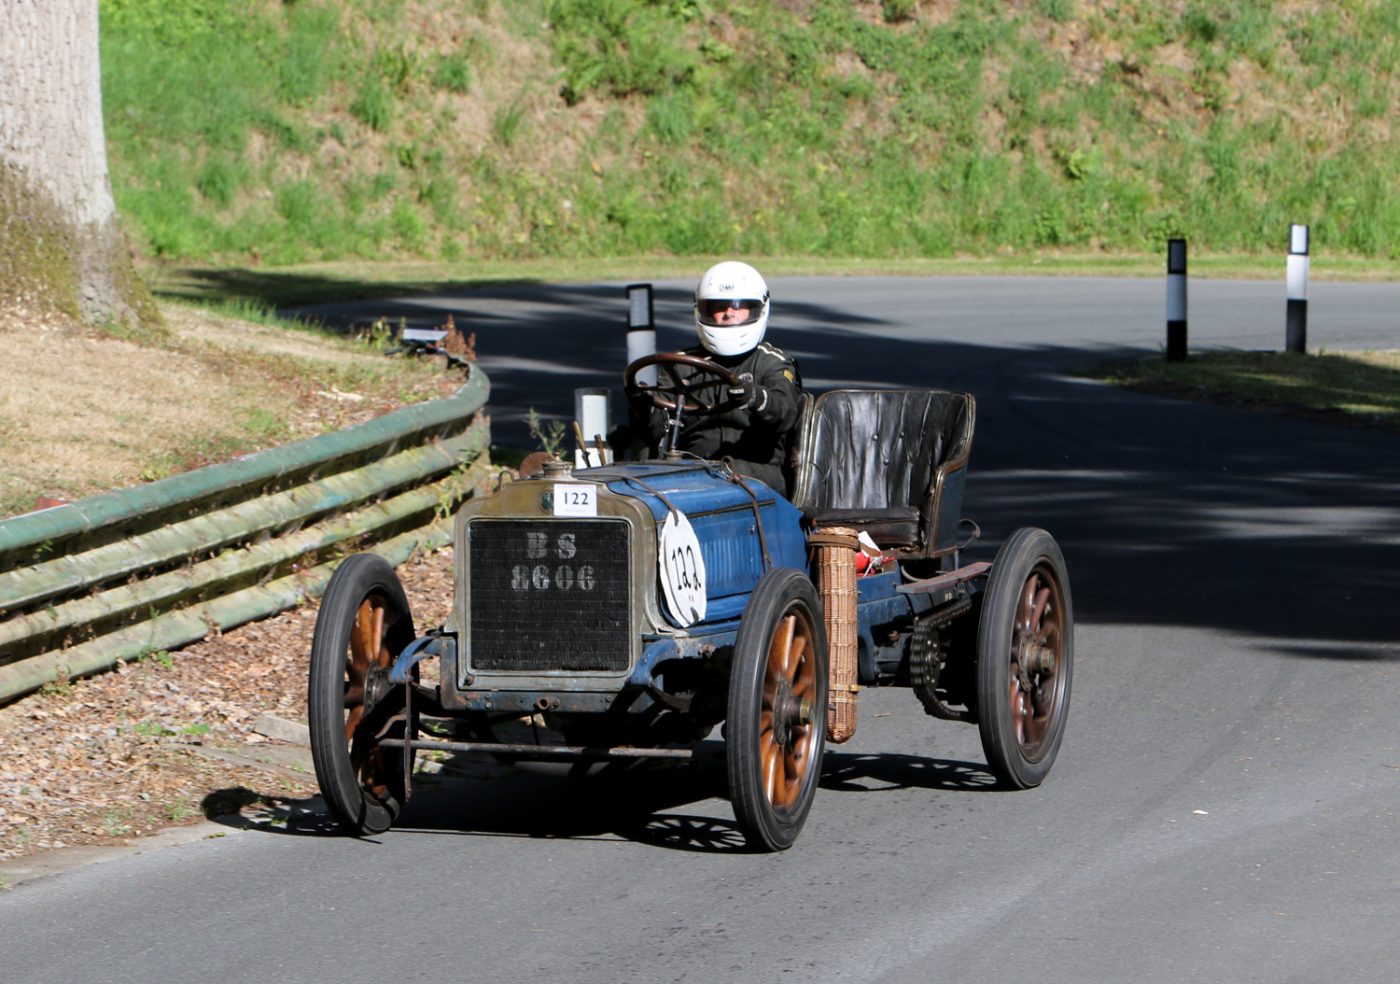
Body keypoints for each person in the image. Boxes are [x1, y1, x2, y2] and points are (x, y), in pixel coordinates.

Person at [627, 261, 803, 491]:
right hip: (693, 472)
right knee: (644, 455)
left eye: (738, 306)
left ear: (758, 309)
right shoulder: (682, 365)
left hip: (758, 474)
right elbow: (656, 429)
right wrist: (643, 406)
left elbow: (785, 412)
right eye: (719, 306)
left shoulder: (773, 362)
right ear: (703, 310)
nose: (728, 313)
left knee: (726, 473)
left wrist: (756, 398)